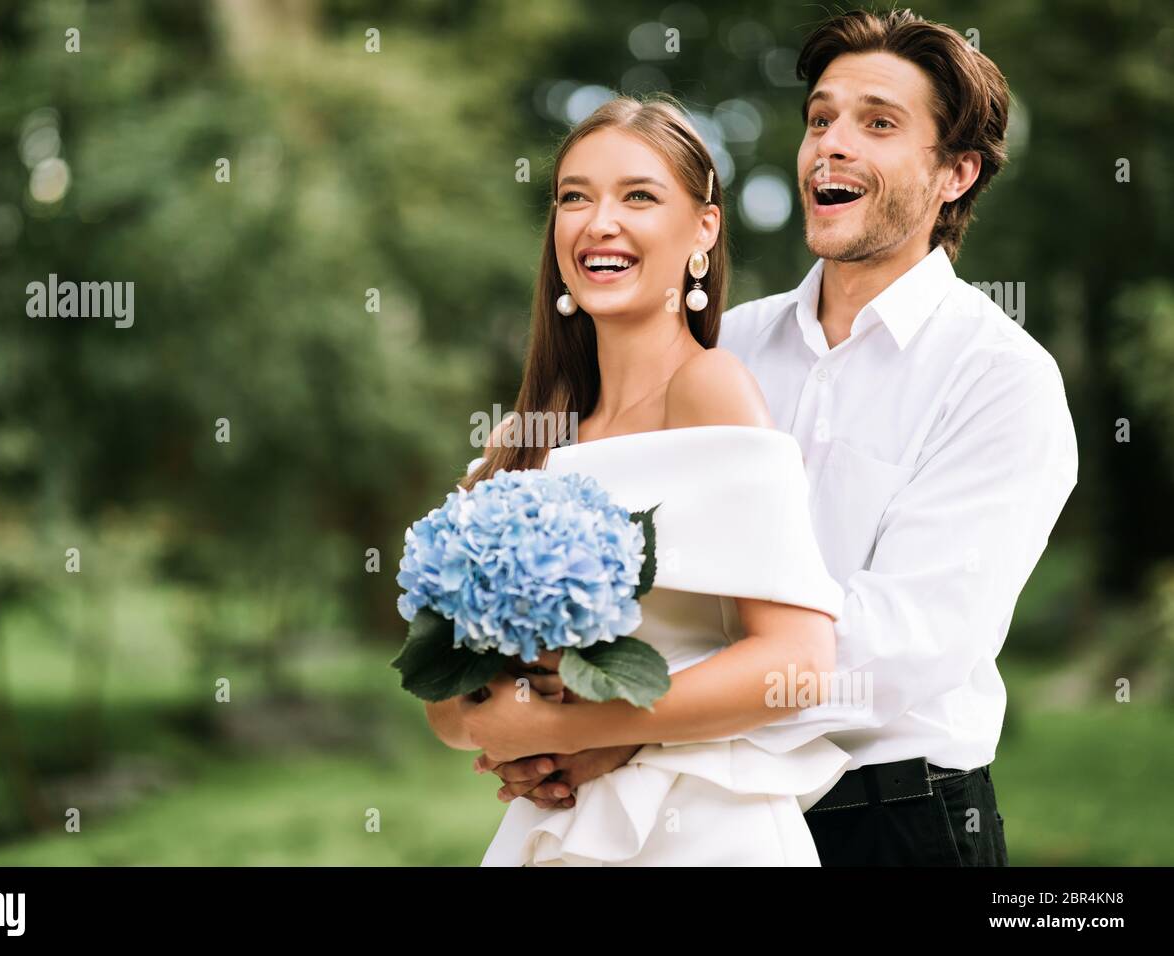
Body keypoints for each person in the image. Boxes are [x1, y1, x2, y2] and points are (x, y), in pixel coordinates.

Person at [475, 9, 1078, 866]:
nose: (830, 144)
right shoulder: (728, 346)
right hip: (698, 811)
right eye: (820, 118)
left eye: (877, 123)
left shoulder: (1001, 377)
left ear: (956, 173)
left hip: (893, 819)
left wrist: (630, 722)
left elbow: (908, 643)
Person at [425, 94, 855, 866]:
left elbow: (798, 662)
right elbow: (443, 699)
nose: (598, 222)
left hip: (702, 825)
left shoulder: (711, 389)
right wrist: (505, 731)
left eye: (639, 197)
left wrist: (578, 729)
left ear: (703, 231)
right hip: (555, 830)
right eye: (574, 197)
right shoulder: (521, 442)